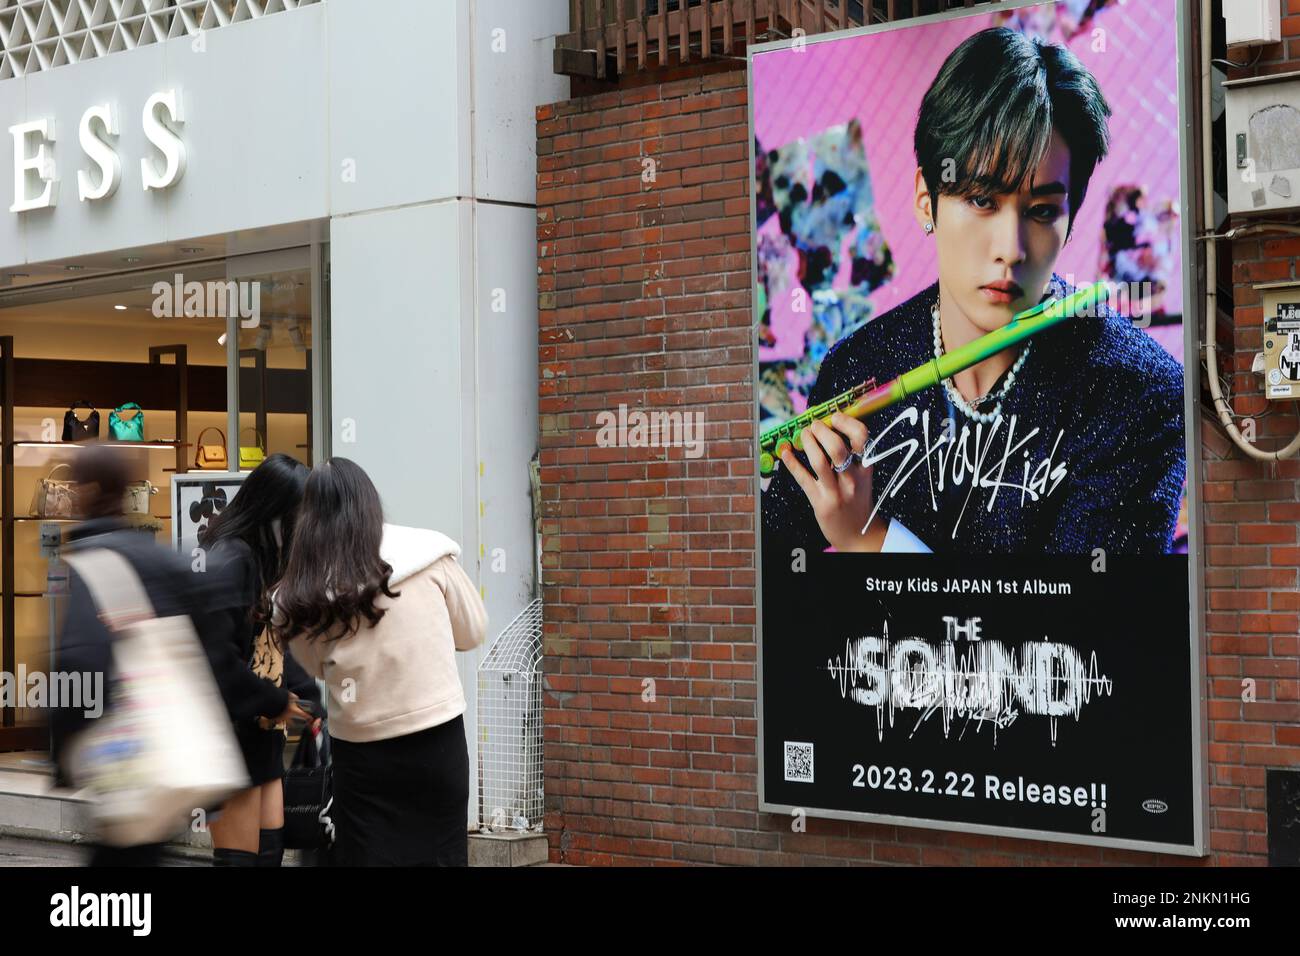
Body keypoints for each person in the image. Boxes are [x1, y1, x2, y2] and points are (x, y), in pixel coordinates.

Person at [761, 26, 1186, 556]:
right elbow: (771, 580)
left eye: (1042, 211)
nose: (1011, 248)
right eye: (983, 200)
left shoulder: (1135, 391)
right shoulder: (859, 367)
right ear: (926, 199)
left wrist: (871, 539)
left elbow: (1083, 633)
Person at [49, 445, 303, 866]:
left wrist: (66, 749)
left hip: (143, 749)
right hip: (195, 736)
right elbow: (213, 647)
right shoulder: (178, 556)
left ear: (87, 490)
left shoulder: (96, 558)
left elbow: (81, 662)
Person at [272, 458, 488, 866]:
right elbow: (472, 631)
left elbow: (316, 667)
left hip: (362, 751)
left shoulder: (301, 588)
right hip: (437, 740)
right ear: (370, 501)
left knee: (370, 854)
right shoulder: (429, 553)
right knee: (441, 852)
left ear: (308, 516)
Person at [200, 453, 320, 867]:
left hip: (260, 736)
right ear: (276, 513)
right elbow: (218, 659)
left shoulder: (260, 561)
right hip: (228, 738)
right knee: (241, 861)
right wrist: (276, 700)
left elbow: (270, 644)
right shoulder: (233, 560)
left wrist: (307, 696)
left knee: (268, 854)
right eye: (299, 516)